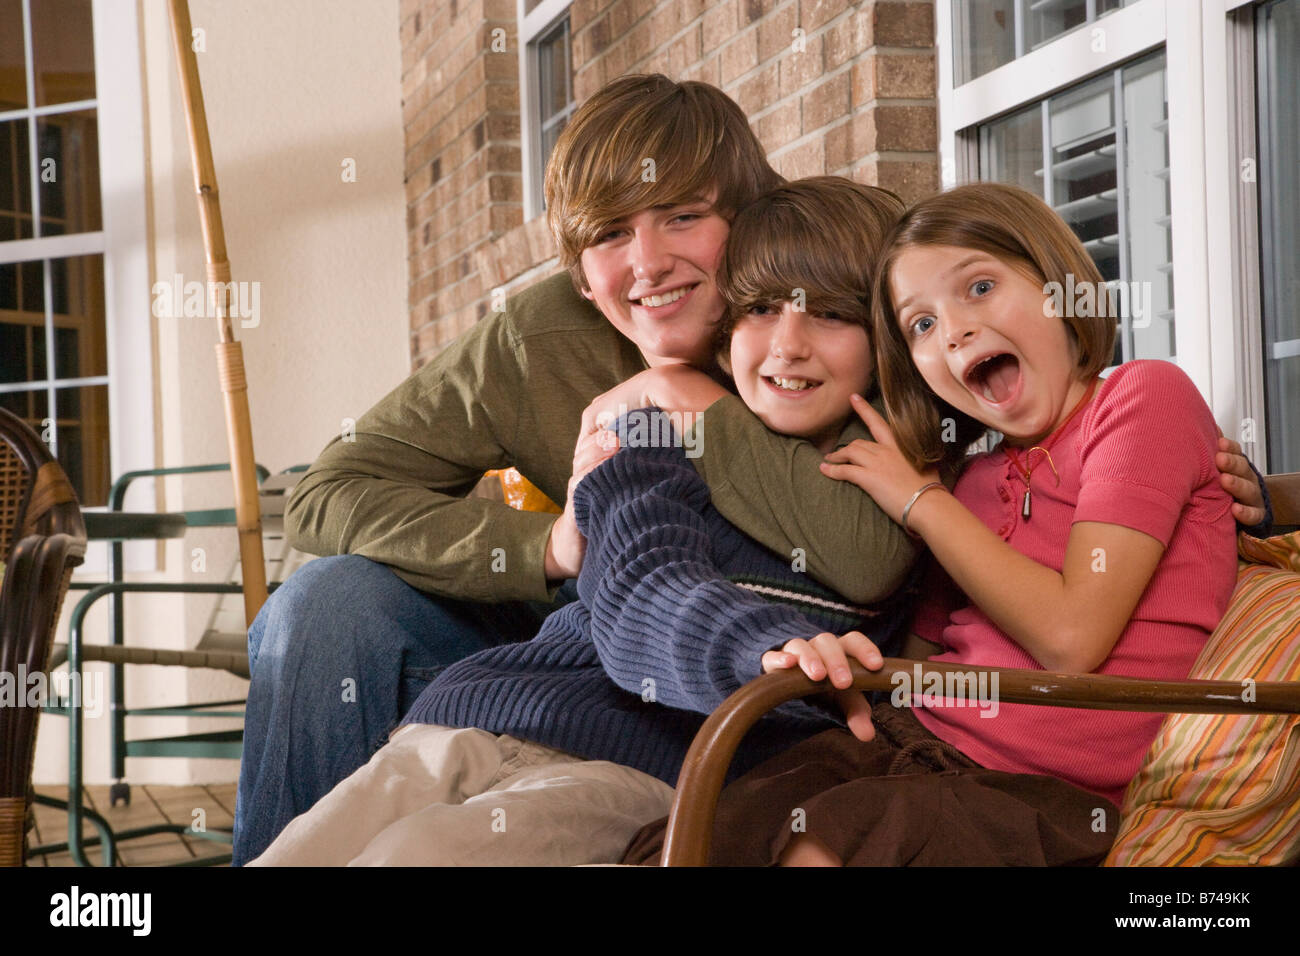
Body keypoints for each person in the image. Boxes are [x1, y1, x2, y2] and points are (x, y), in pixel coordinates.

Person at [234, 69, 1269, 864]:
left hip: (680, 733)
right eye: (608, 236)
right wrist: (549, 540)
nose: (646, 264)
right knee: (322, 662)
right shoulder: (591, 382)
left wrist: (1248, 489)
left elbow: (913, 537)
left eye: (682, 216)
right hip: (527, 673)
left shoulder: (910, 420)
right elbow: (630, 577)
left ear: (746, 221)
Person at [248, 178, 917, 865]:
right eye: (759, 310)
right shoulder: (650, 432)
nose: (788, 345)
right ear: (726, 325)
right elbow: (643, 588)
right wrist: (755, 648)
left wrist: (772, 655)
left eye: (832, 315)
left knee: (418, 854)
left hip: (643, 762)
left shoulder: (901, 478)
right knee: (303, 851)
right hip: (479, 717)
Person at [623, 182, 1250, 867]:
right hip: (907, 743)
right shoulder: (973, 480)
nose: (953, 330)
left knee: (833, 840)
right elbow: (916, 665)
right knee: (698, 834)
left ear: (1059, 286)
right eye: (920, 324)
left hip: (1041, 796)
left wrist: (918, 501)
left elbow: (1073, 639)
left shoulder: (1140, 397)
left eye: (979, 288)